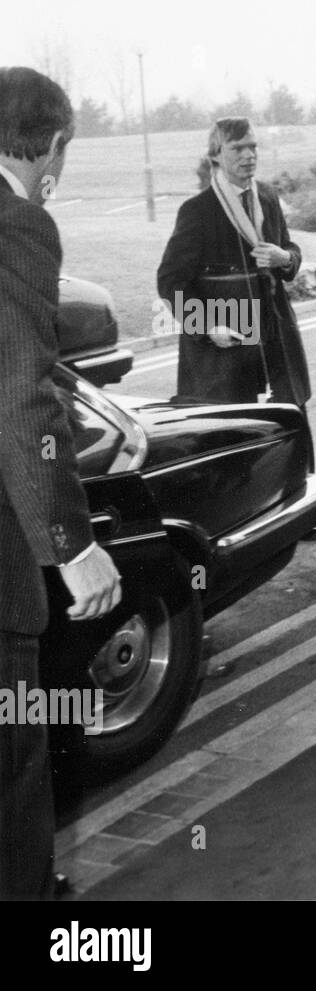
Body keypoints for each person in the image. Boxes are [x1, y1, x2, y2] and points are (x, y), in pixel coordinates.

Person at [0, 66, 122, 900]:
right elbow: (22, 400)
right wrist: (73, 545)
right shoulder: (18, 226)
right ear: (53, 146)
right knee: (12, 760)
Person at [157, 117, 311, 409]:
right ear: (215, 154)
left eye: (252, 146)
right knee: (234, 434)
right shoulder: (197, 210)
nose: (249, 155)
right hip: (227, 335)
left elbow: (290, 247)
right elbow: (170, 280)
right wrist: (207, 325)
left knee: (290, 423)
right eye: (237, 148)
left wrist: (285, 257)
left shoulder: (267, 196)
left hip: (274, 330)